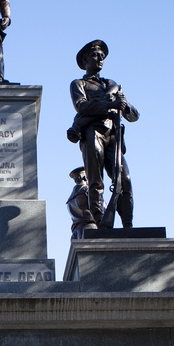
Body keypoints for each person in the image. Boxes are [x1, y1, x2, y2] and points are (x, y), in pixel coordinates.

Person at [68, 39, 139, 229]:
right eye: (95, 55)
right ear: (85, 60)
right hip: (93, 132)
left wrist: (124, 104)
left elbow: (134, 116)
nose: (99, 59)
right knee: (95, 182)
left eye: (102, 56)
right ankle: (101, 224)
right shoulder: (78, 83)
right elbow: (81, 106)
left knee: (125, 180)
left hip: (113, 135)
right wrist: (109, 105)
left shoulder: (112, 85)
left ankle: (128, 225)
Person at [65, 166, 101, 239]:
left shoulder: (71, 197)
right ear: (85, 177)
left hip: (76, 232)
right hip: (90, 229)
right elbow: (102, 208)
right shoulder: (89, 191)